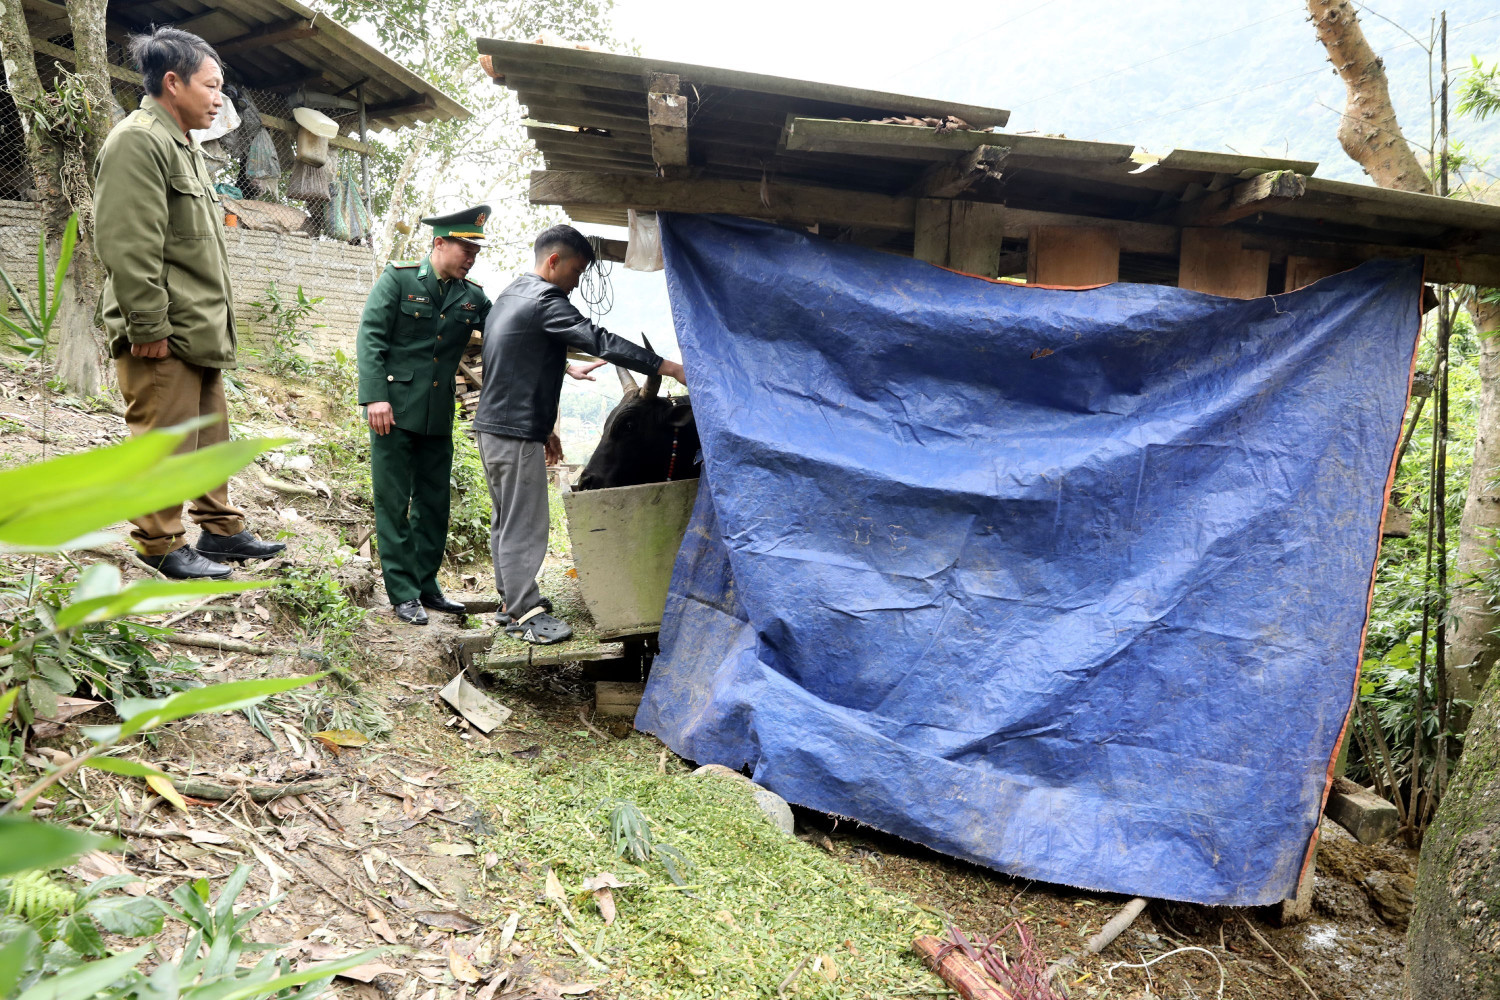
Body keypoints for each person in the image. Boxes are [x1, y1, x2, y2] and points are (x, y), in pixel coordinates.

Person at [95, 27, 284, 579]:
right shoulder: (137, 141)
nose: (219, 98)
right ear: (173, 83)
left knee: (207, 437)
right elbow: (129, 243)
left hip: (196, 325)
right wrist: (147, 323)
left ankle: (220, 530)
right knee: (165, 439)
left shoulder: (185, 147)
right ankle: (158, 543)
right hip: (164, 329)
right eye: (211, 85)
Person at [475, 225, 686, 644]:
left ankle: (509, 600)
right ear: (554, 261)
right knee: (525, 524)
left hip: (494, 429)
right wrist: (667, 367)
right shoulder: (545, 299)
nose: (576, 282)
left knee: (505, 519)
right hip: (514, 433)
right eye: (576, 271)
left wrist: (549, 416)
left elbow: (520, 357)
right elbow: (597, 338)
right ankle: (523, 612)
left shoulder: (512, 294)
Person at [357, 207, 493, 625]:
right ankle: (402, 592)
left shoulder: (473, 297)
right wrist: (375, 398)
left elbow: (510, 335)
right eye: (465, 249)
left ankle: (426, 585)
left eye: (476, 251)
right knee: (393, 501)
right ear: (439, 243)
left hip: (438, 414)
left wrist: (564, 364)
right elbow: (371, 337)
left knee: (434, 503)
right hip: (392, 411)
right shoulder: (399, 279)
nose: (471, 258)